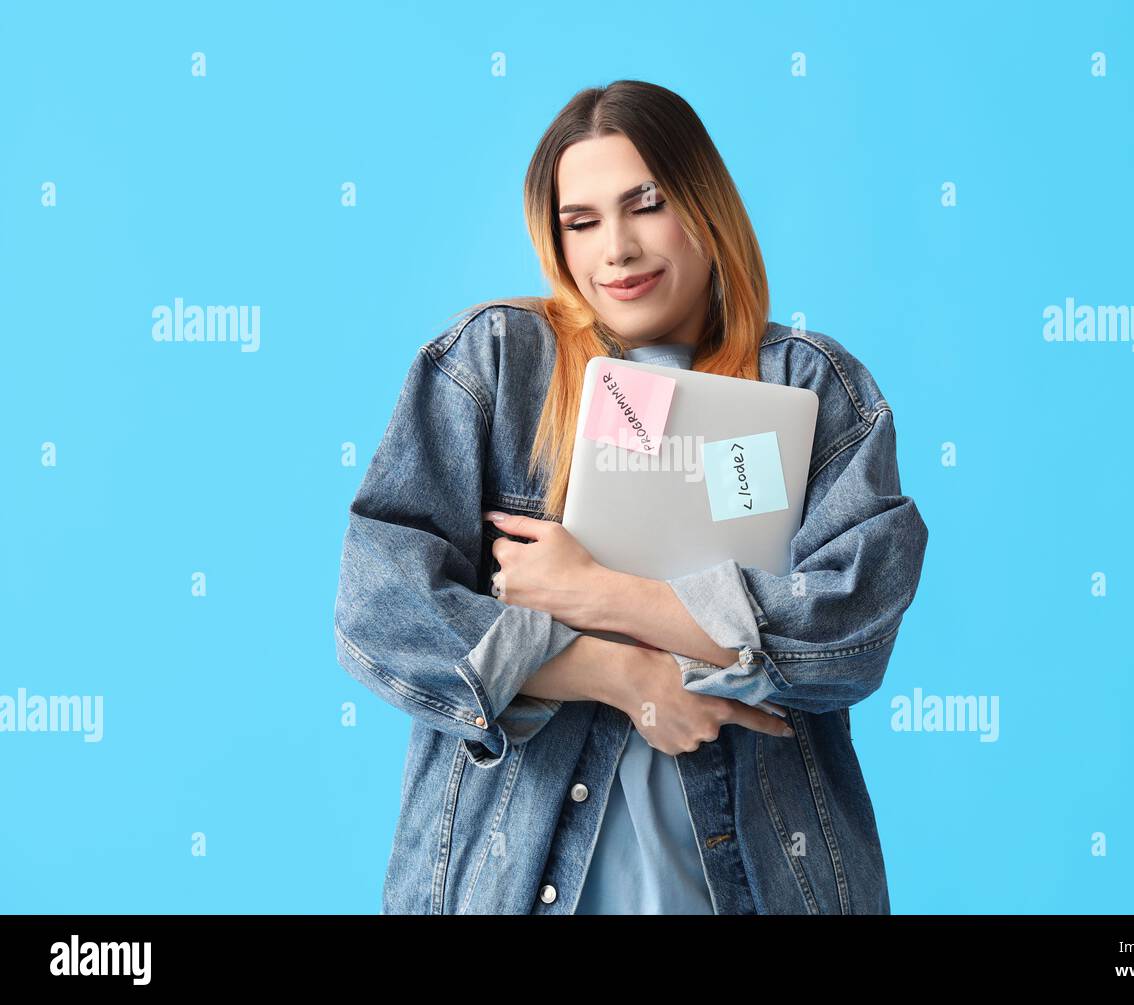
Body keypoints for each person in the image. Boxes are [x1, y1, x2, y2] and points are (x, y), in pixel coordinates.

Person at [333, 79, 929, 915]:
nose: (615, 248)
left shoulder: (812, 386)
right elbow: (380, 606)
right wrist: (619, 673)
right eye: (582, 221)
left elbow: (847, 628)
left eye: (645, 205)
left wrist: (595, 591)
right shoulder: (496, 363)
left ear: (705, 204)